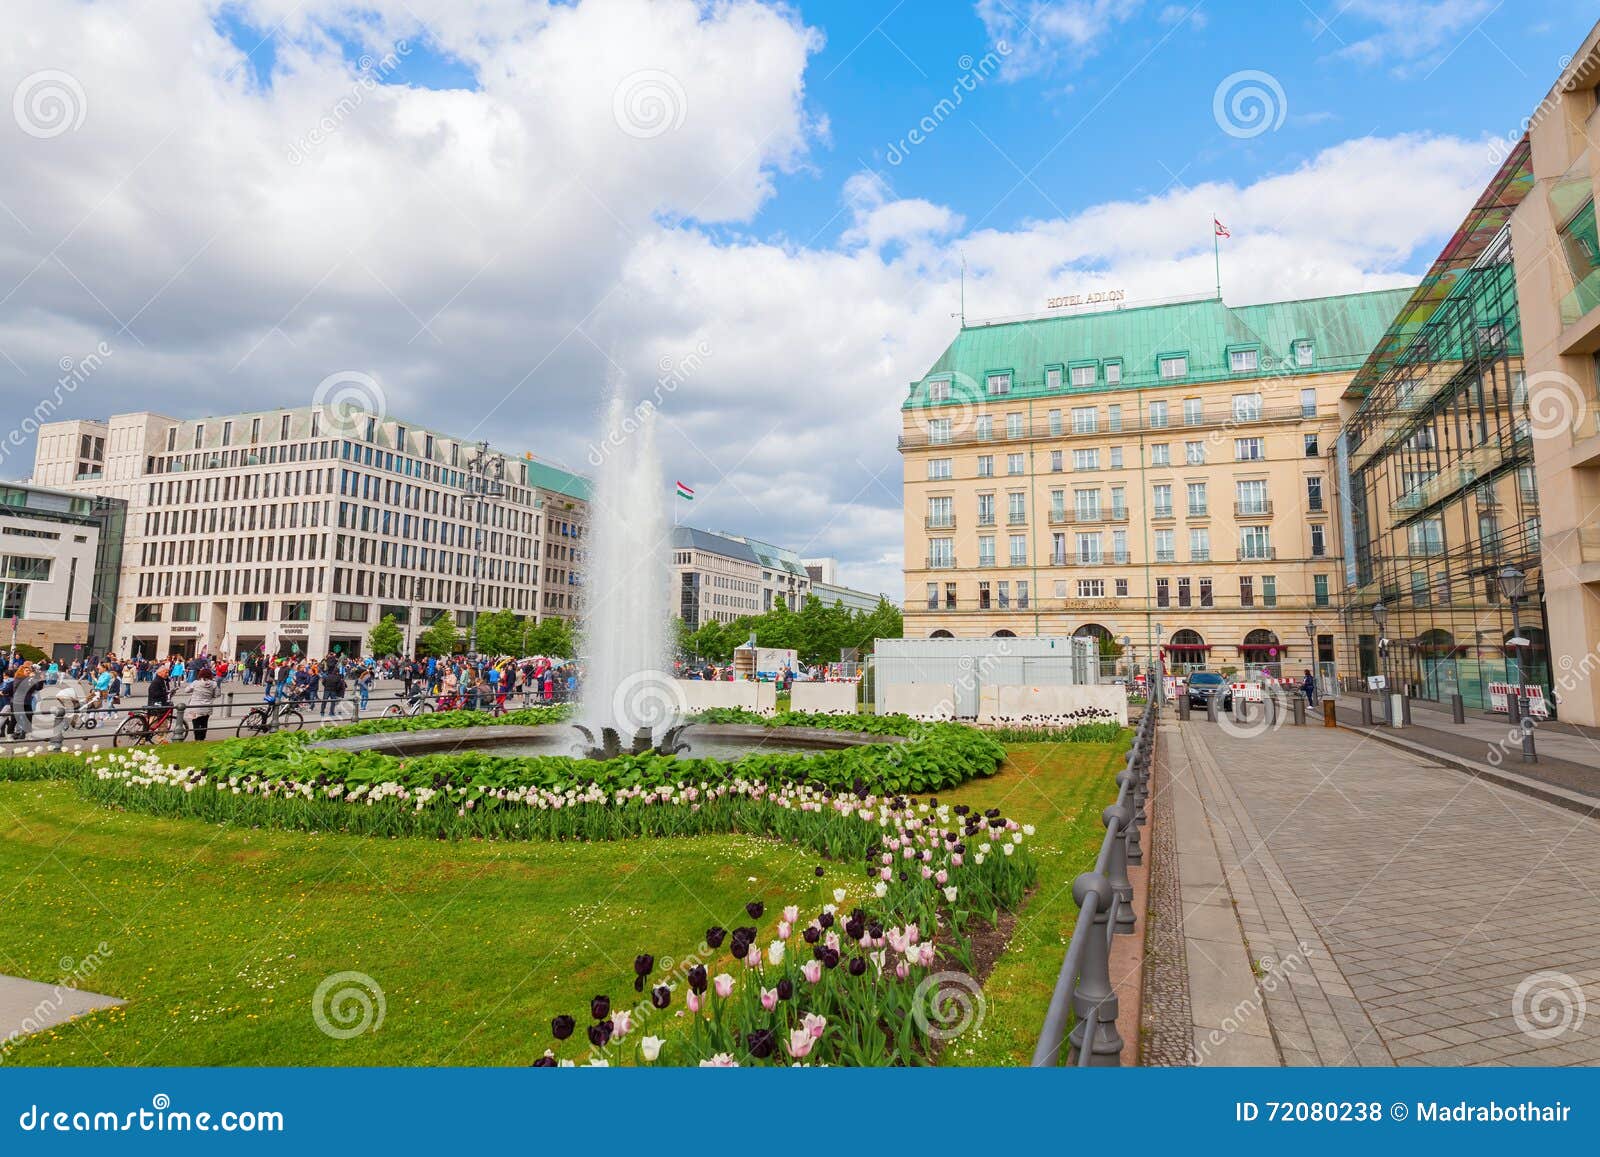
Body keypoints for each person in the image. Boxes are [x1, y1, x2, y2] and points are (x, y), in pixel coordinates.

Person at [186, 667, 218, 740]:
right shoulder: (214, 684)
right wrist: (210, 695)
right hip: (207, 706)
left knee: (196, 723)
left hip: (195, 707)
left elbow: (186, 690)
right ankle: (202, 738)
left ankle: (197, 739)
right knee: (204, 723)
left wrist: (193, 689)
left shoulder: (195, 683)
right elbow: (217, 694)